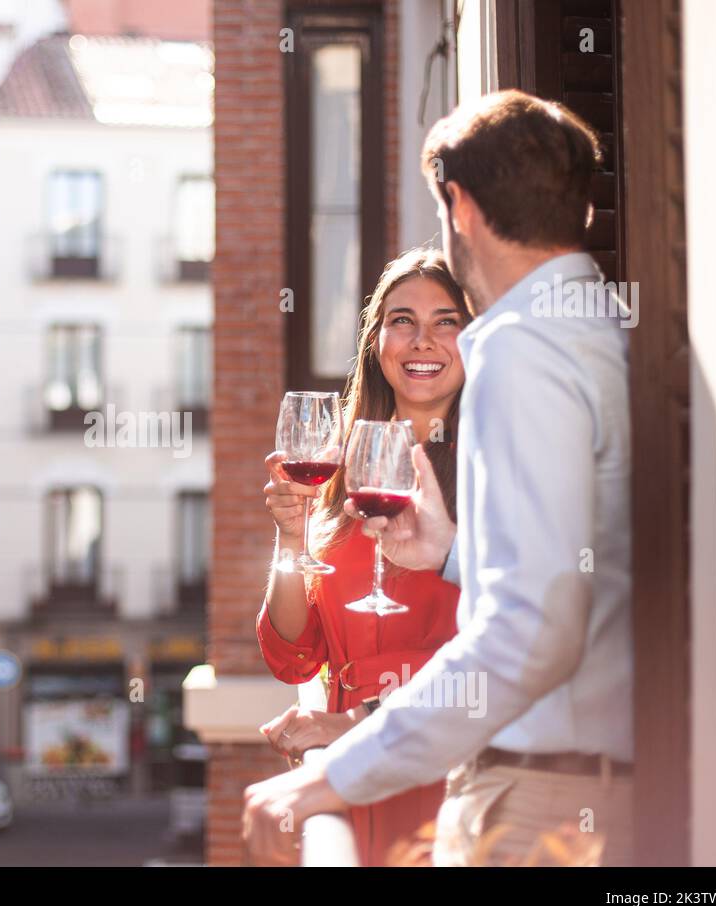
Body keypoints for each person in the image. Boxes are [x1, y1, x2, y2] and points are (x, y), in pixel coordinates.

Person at [242, 89, 634, 866]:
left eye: (442, 321)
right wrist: (454, 554)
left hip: (537, 799)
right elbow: (567, 581)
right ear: (580, 209)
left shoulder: (523, 350)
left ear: (460, 206)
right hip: (584, 782)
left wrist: (332, 776)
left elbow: (529, 635)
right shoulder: (603, 329)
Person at [255, 247, 470, 866]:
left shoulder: (497, 474)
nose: (421, 340)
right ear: (377, 341)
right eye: (402, 320)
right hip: (355, 777)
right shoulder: (341, 471)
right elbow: (296, 655)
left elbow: (518, 649)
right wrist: (292, 537)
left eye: (446, 320)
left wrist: (358, 723)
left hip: (449, 771)